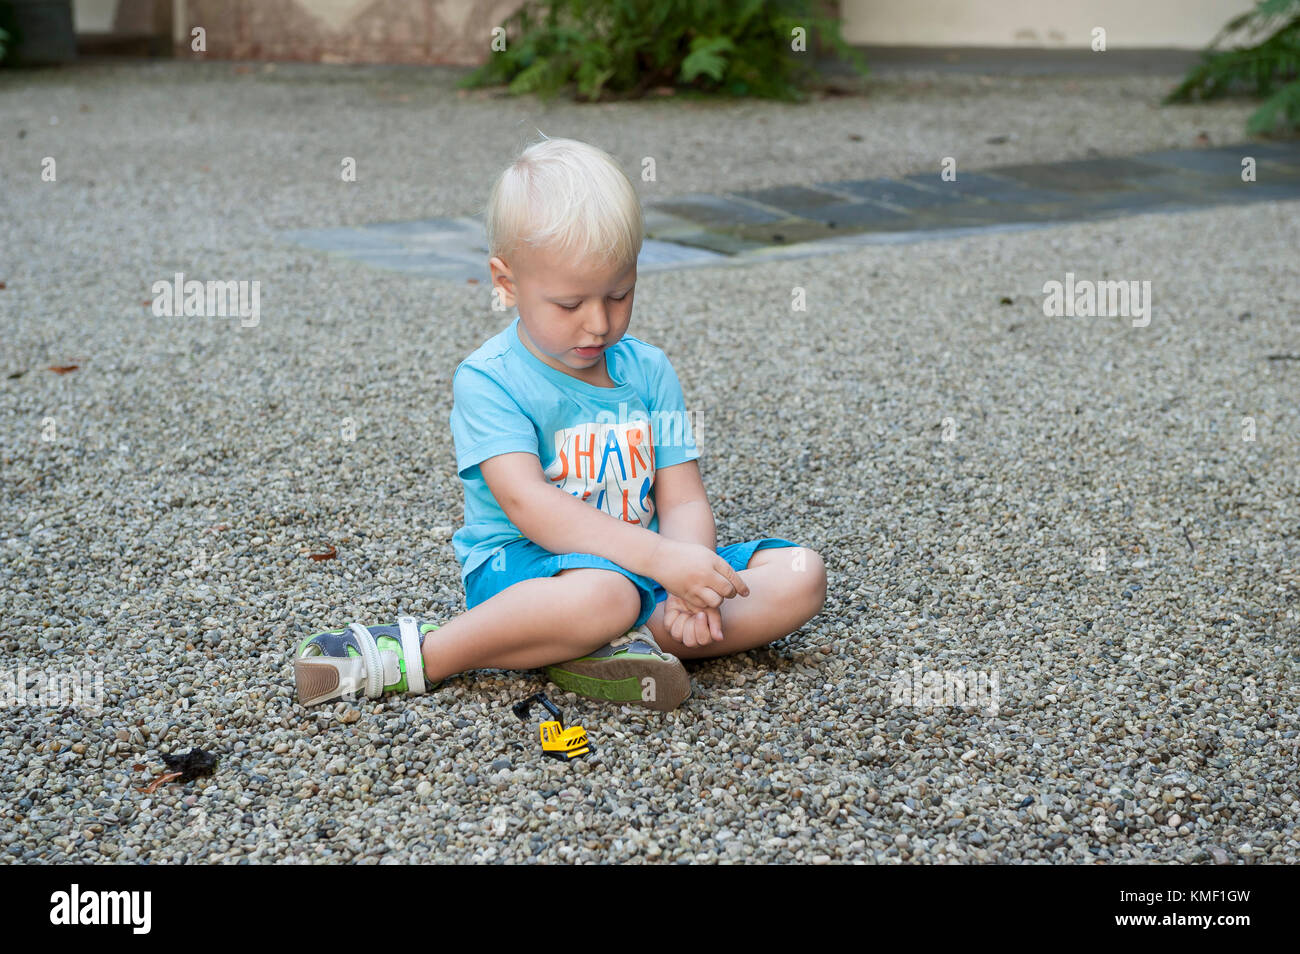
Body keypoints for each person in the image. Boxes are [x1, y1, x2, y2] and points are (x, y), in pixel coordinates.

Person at [295, 136, 827, 711]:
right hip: (528, 572)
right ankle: (430, 654)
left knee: (802, 573)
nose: (598, 323)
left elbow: (683, 501)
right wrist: (660, 563)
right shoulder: (489, 380)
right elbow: (533, 509)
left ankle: (594, 649)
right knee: (606, 594)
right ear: (506, 283)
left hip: (644, 571)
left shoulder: (647, 369)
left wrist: (689, 583)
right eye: (570, 305)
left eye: (619, 295)